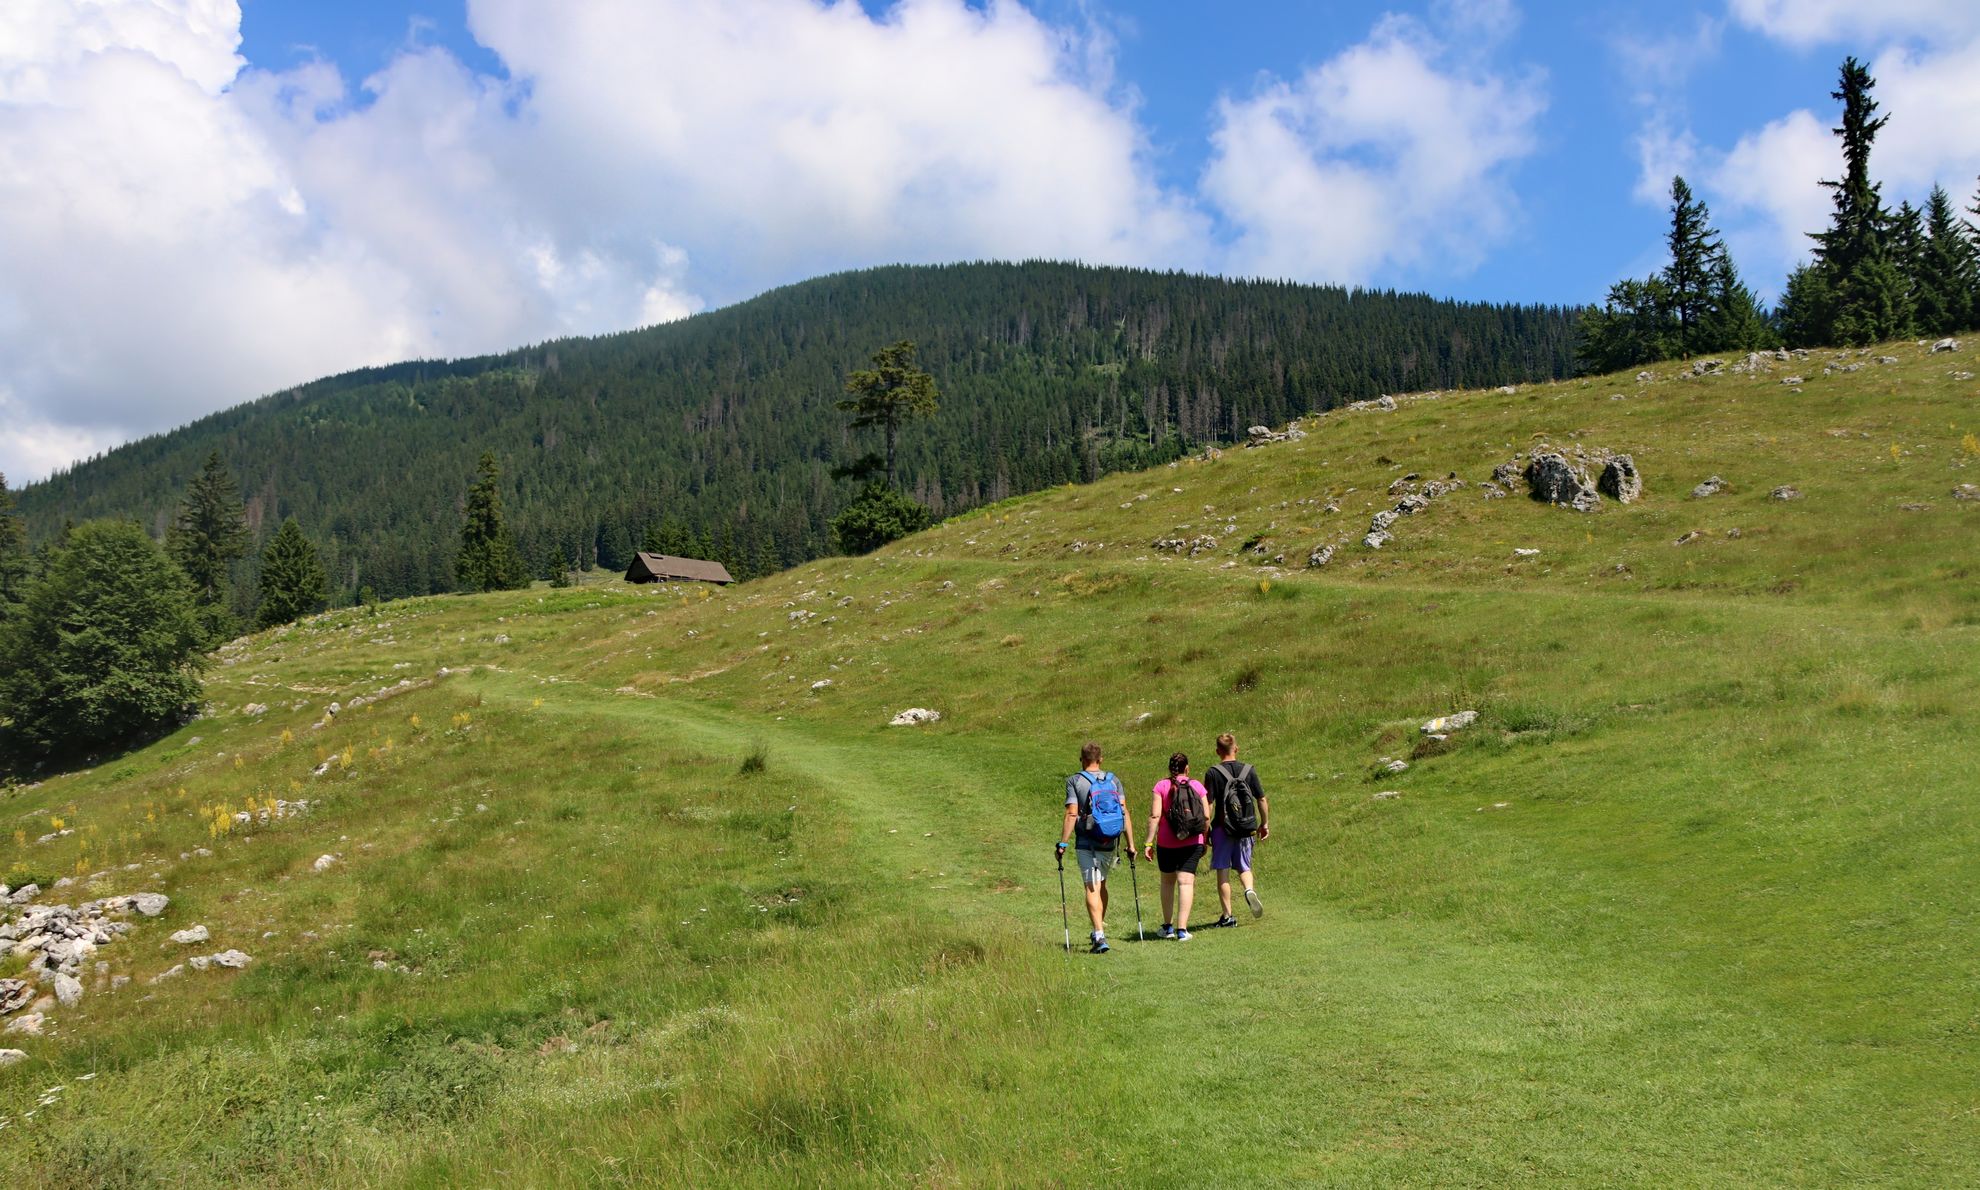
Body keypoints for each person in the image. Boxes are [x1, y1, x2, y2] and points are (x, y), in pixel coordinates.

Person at [1057, 741, 1137, 953]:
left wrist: (1063, 843)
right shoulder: (1113, 780)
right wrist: (1131, 844)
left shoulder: (1075, 781)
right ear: (1100, 759)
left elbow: (1072, 814)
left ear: (1081, 759)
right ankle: (1098, 928)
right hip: (1110, 841)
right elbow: (1124, 812)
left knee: (1091, 887)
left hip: (1086, 843)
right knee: (1101, 884)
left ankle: (1100, 936)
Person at [1204, 732, 1270, 927]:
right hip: (1245, 827)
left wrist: (1206, 829)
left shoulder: (1213, 773)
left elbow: (1209, 804)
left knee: (1223, 871)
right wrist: (1264, 823)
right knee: (1244, 866)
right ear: (1236, 749)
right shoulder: (1249, 770)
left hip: (1222, 828)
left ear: (1217, 751)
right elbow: (1261, 799)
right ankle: (1249, 890)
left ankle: (1227, 916)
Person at [1141, 752, 1209, 940]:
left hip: (1166, 842)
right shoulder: (1197, 786)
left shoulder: (1161, 786)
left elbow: (1155, 816)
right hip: (1193, 841)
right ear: (1187, 768)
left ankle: (1167, 927)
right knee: (1186, 883)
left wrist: (1148, 842)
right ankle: (1182, 930)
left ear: (1170, 768)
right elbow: (1206, 816)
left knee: (1167, 882)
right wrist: (1204, 839)